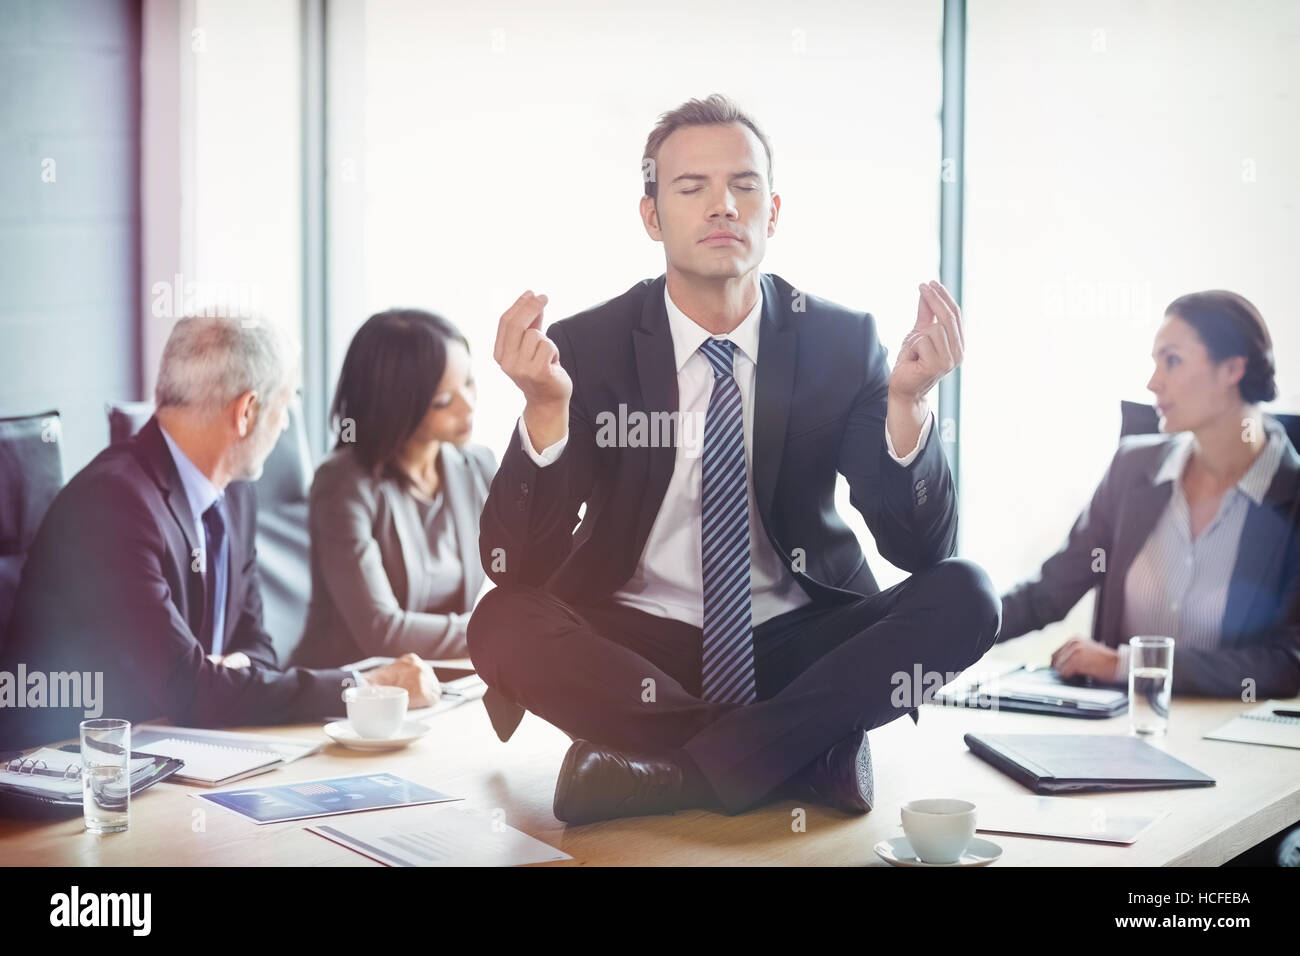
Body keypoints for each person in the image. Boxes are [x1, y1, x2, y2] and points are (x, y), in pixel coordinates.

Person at [466, 93, 1001, 825]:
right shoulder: (589, 347)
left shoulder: (839, 342)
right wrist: (544, 412)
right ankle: (798, 757)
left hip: (796, 642)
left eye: (744, 186)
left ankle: (663, 772)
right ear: (652, 216)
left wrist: (908, 406)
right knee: (500, 620)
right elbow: (514, 567)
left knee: (967, 592)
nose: (723, 206)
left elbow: (919, 549)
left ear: (772, 212)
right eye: (693, 188)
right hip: (635, 649)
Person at [0, 314, 436, 749]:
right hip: (73, 774)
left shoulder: (235, 494)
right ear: (246, 412)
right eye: (283, 406)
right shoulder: (113, 502)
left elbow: (259, 646)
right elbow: (190, 691)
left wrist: (229, 675)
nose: (284, 424)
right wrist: (360, 685)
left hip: (185, 748)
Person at [998, 290, 1300, 699]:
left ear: (1231, 369)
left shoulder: (1291, 498)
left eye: (1172, 360)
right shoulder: (1132, 469)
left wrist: (1130, 665)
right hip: (1116, 735)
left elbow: (1286, 663)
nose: (1152, 382)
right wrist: (941, 632)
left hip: (1224, 747)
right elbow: (1046, 595)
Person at [291, 309, 496, 668]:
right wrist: (499, 632)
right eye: (443, 401)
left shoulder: (477, 466)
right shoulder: (341, 486)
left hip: (445, 681)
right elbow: (382, 631)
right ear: (396, 406)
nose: (468, 406)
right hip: (350, 697)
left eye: (468, 382)